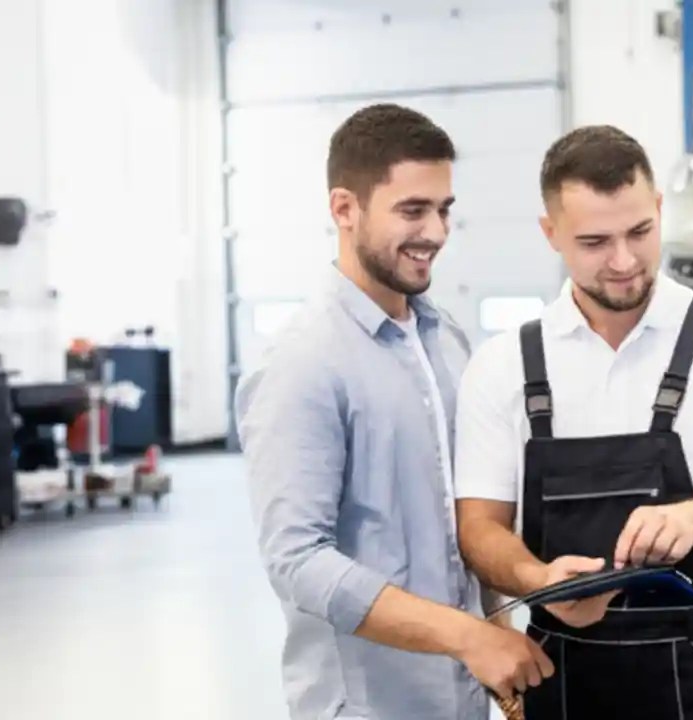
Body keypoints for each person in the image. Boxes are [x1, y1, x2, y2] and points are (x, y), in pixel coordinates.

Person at [453, 125, 693, 719]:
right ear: (551, 234)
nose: (624, 262)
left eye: (640, 232)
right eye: (594, 242)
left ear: (660, 210)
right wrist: (537, 579)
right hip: (561, 669)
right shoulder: (503, 367)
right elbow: (479, 529)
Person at [235, 103, 553, 720]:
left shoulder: (448, 343)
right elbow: (298, 560)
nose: (435, 231)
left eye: (444, 210)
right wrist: (467, 637)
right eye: (412, 210)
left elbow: (464, 525)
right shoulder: (302, 363)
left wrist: (501, 625)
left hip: (461, 701)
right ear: (344, 209)